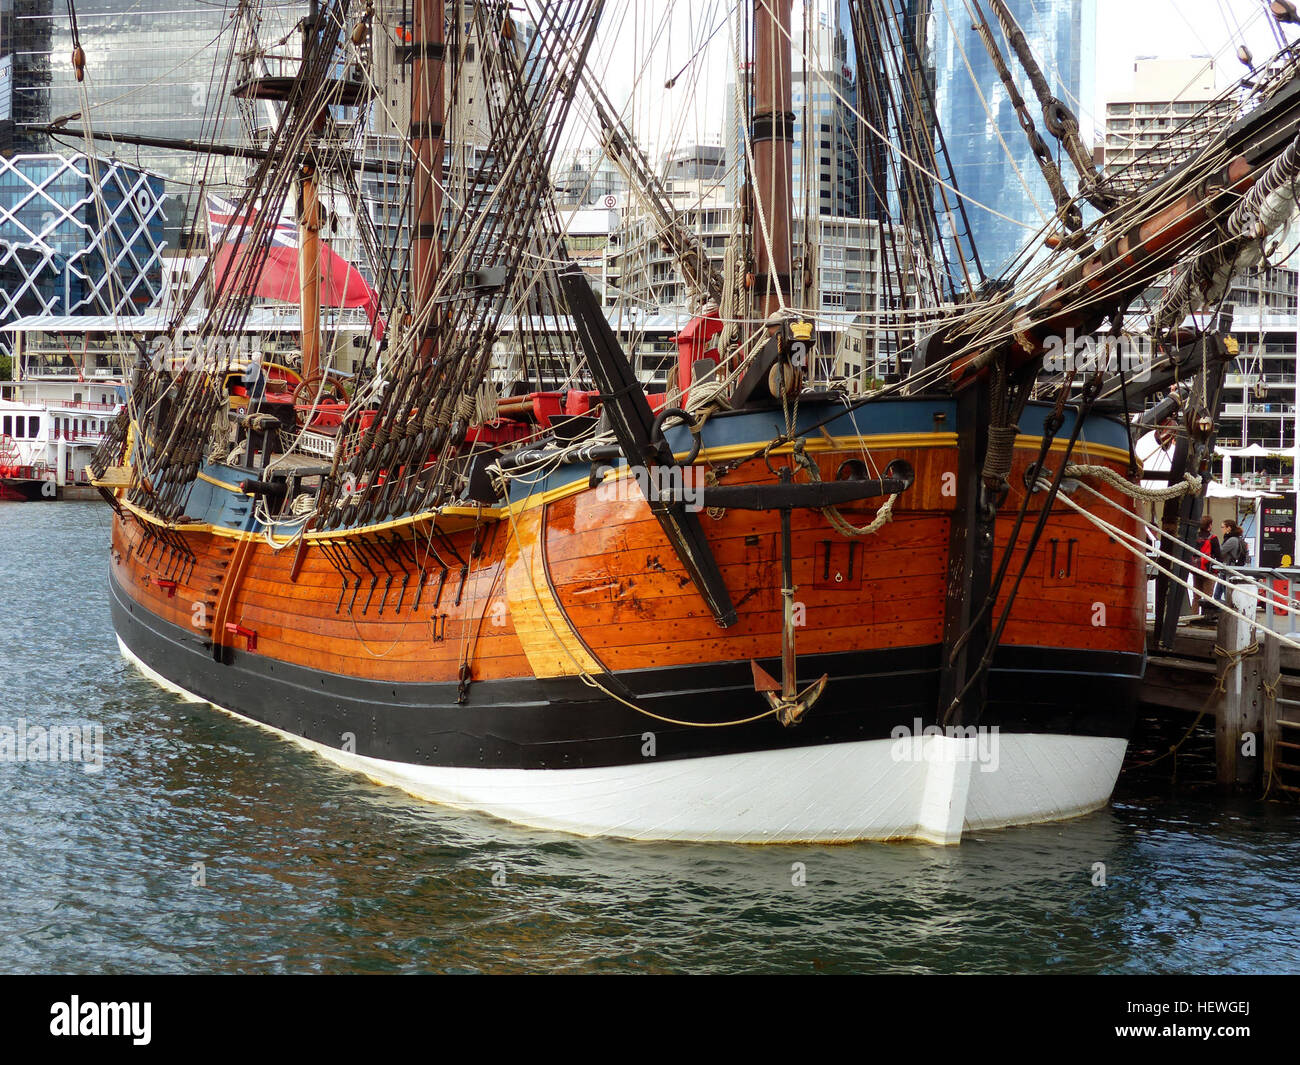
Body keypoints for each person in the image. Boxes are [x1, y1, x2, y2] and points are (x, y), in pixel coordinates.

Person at [1194, 514, 1221, 615]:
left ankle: (1194, 616)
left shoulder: (1195, 536)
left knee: (1196, 595)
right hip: (1209, 570)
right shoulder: (1213, 538)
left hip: (1196, 569)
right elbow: (1219, 556)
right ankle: (1206, 617)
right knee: (1207, 596)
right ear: (1210, 525)